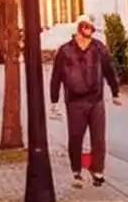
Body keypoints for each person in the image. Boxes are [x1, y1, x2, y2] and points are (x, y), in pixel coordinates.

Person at [50, 14, 122, 189]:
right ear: (79, 29)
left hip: (95, 99)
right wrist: (54, 101)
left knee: (98, 137)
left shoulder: (99, 49)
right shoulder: (65, 50)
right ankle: (76, 170)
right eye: (85, 27)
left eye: (91, 27)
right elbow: (56, 76)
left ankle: (97, 170)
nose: (88, 30)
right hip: (75, 101)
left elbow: (108, 71)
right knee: (76, 137)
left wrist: (115, 93)